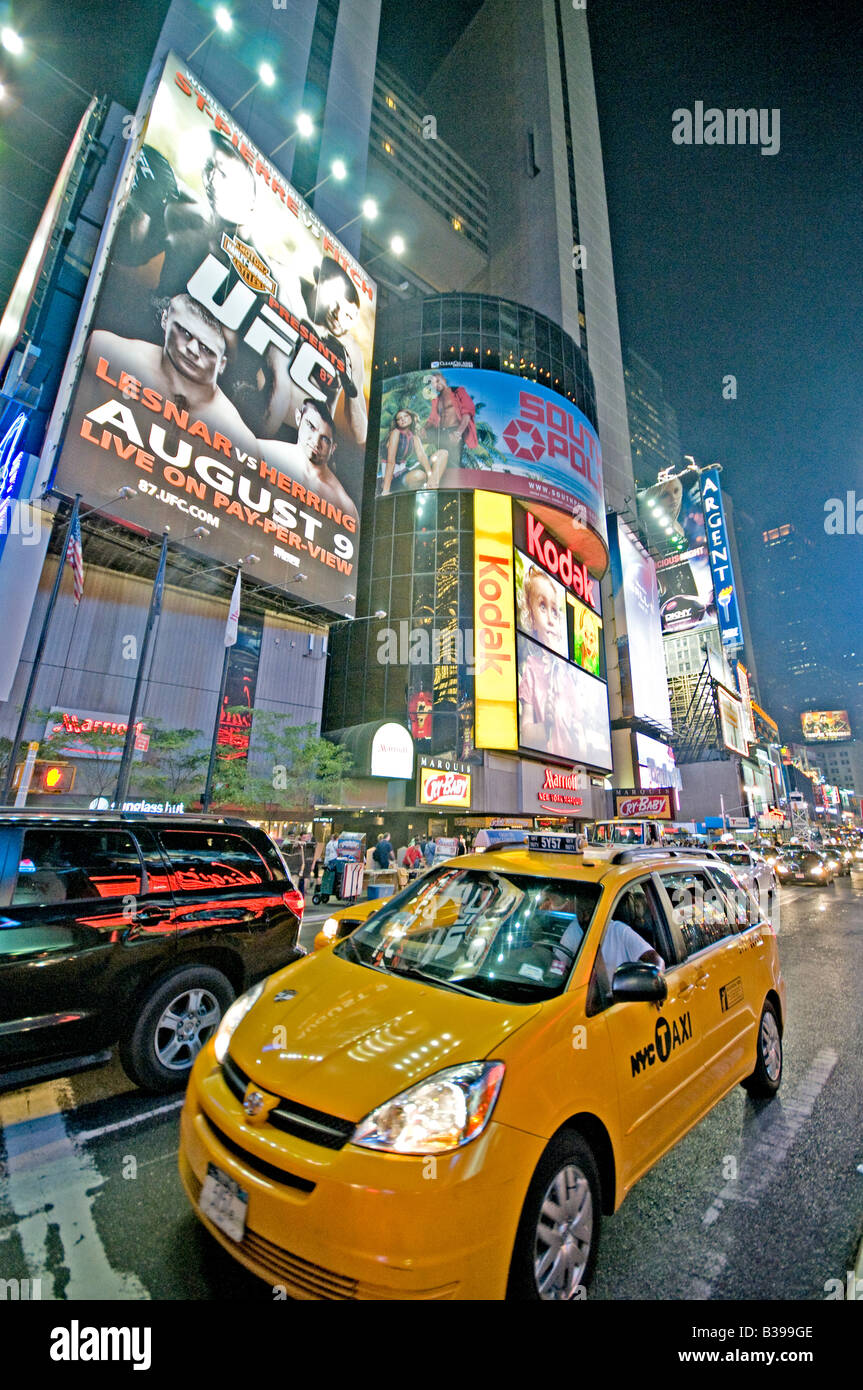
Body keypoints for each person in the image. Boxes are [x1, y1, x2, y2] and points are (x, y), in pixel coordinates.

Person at [85, 291, 260, 460]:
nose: (192, 350)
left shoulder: (239, 439)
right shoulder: (106, 351)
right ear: (165, 319)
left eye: (206, 349)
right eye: (184, 333)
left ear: (221, 364)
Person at [262, 256, 368, 444]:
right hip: (262, 416)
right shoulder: (290, 286)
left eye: (348, 315)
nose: (338, 316)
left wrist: (348, 382)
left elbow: (360, 434)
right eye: (335, 302)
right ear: (318, 280)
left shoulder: (350, 349)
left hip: (310, 449)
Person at [258, 398, 358, 523]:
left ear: (333, 448)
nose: (316, 442)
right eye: (311, 426)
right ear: (298, 418)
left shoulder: (344, 504)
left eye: (325, 439)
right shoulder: (263, 453)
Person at [380, 409, 444, 494]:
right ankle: (426, 487)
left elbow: (422, 456)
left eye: (405, 416)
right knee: (419, 475)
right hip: (393, 478)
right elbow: (391, 461)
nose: (402, 419)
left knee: (442, 453)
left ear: (411, 417)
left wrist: (430, 476)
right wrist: (385, 490)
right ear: (397, 423)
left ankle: (432, 486)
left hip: (405, 472)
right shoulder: (395, 433)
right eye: (399, 419)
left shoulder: (413, 436)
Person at [424, 372, 478, 471]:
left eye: (437, 381)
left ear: (443, 378)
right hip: (441, 433)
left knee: (452, 465)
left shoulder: (458, 391)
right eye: (433, 385)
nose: (436, 385)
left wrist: (458, 433)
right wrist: (423, 429)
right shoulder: (437, 400)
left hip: (454, 431)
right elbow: (432, 419)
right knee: (440, 463)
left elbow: (467, 414)